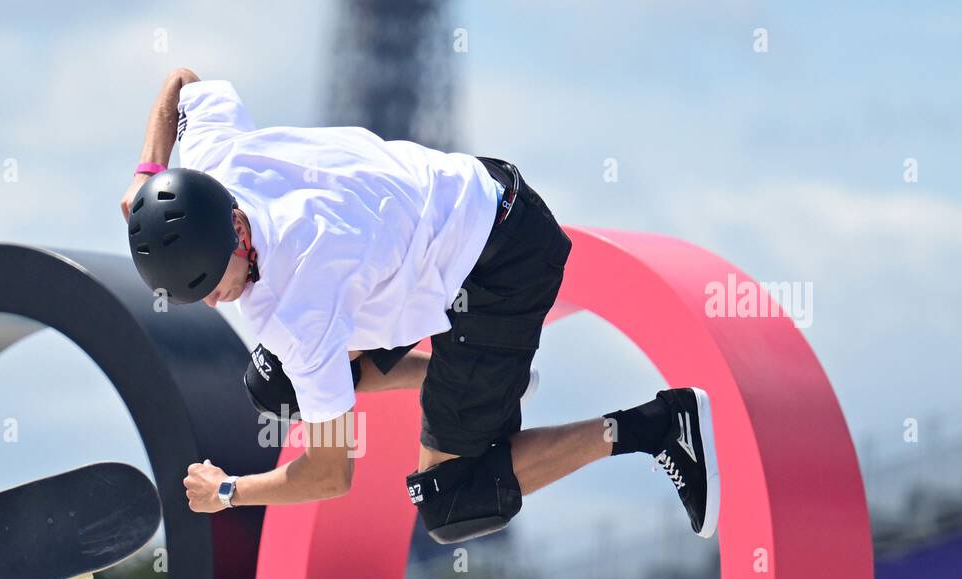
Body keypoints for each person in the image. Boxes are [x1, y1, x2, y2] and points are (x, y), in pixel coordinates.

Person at [122, 68, 719, 543]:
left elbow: (331, 475)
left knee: (450, 503)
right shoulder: (210, 163)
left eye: (218, 281)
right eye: (198, 294)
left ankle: (661, 425)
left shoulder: (299, 306)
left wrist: (228, 492)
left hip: (499, 262)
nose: (218, 298)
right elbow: (182, 85)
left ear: (236, 228)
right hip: (452, 202)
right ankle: (460, 379)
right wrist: (147, 172)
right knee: (275, 386)